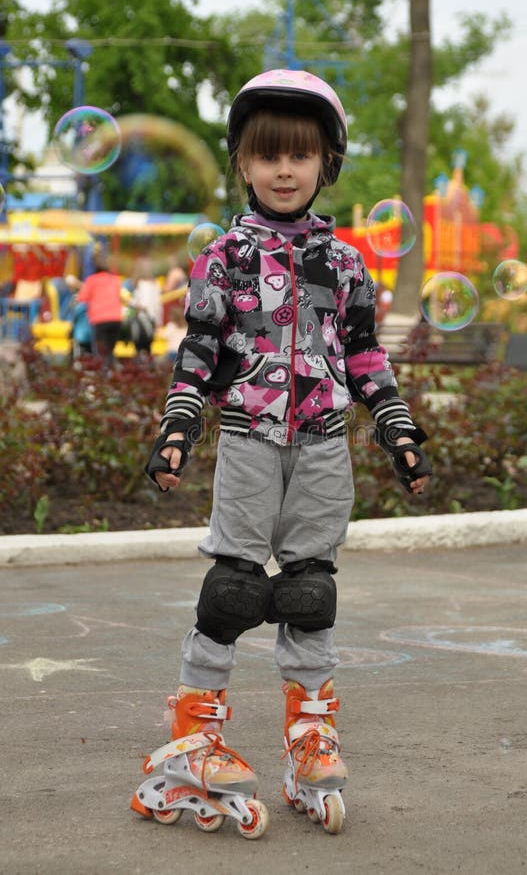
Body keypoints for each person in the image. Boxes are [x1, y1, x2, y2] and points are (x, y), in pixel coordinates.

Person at [133, 69, 432, 837]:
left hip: (325, 445)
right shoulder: (224, 258)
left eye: (300, 155)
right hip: (249, 440)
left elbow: (364, 356)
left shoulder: (347, 263)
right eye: (268, 155)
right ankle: (195, 736)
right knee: (233, 590)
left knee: (309, 592)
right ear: (242, 162)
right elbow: (199, 352)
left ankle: (310, 735)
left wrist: (397, 428)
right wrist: (177, 428)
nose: (285, 170)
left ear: (327, 162)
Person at [77, 243, 123, 364]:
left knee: (100, 353)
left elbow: (82, 298)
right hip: (116, 319)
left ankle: (104, 371)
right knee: (110, 351)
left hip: (100, 320)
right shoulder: (115, 279)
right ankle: (111, 369)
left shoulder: (92, 280)